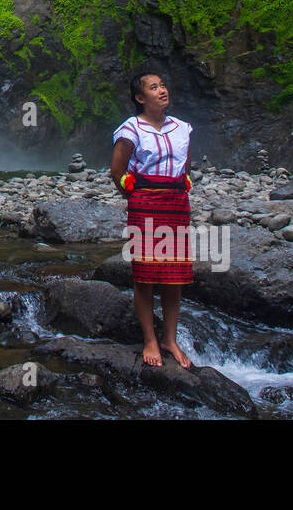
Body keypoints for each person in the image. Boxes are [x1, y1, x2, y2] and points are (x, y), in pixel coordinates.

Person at [110, 72, 194, 368]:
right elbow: (117, 170)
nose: (162, 90)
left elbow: (185, 166)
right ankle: (150, 339)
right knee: (145, 276)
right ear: (140, 98)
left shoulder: (182, 128)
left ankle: (170, 340)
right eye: (153, 87)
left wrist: (179, 188)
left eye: (163, 85)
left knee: (175, 276)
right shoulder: (130, 129)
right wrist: (133, 197)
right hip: (145, 202)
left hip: (176, 203)